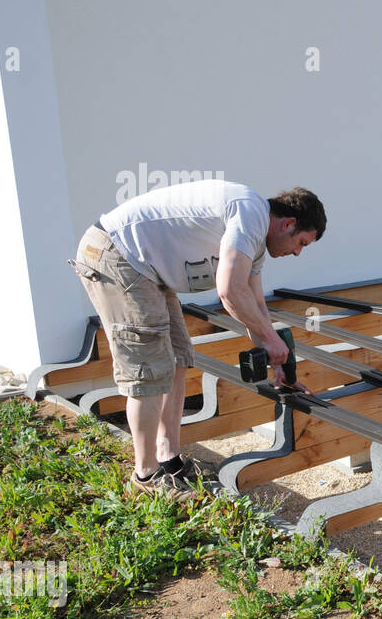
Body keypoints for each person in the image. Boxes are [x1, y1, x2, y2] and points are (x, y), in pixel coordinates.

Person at [71, 181, 326, 496]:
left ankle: (170, 460)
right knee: (147, 369)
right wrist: (272, 341)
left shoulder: (256, 242)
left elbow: (255, 305)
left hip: (146, 271)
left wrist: (276, 360)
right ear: (288, 224)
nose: (298, 253)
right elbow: (229, 291)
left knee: (179, 357)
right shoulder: (250, 213)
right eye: (302, 242)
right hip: (117, 255)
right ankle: (146, 478)